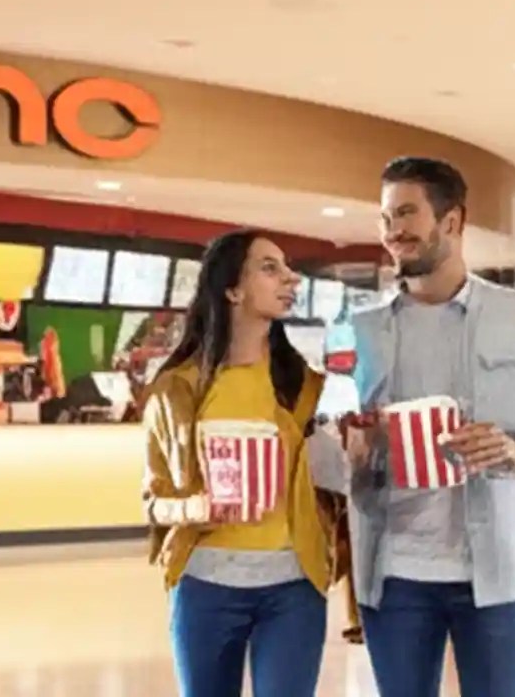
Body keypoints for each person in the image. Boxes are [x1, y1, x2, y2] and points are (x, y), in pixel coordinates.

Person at [338, 156, 515, 697]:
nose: (393, 233)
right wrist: (350, 448)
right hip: (392, 575)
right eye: (386, 219)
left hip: (497, 577)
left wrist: (512, 453)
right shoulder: (357, 332)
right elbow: (328, 446)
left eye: (406, 215)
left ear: (452, 221)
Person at [140, 230, 359, 697]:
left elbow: (337, 480)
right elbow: (154, 501)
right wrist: (195, 508)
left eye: (287, 267)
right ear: (232, 290)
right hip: (204, 586)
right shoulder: (176, 390)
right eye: (270, 267)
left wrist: (355, 450)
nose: (291, 278)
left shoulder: (308, 388)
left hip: (294, 589)